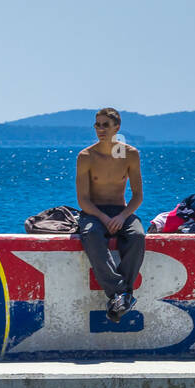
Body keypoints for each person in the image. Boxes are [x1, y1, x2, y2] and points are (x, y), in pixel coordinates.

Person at [75, 108, 146, 323]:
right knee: (91, 235)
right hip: (93, 212)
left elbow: (137, 196)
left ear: (117, 127)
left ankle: (121, 295)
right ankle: (120, 293)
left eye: (105, 125)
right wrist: (104, 218)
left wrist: (123, 216)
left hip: (121, 211)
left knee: (137, 236)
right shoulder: (86, 156)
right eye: (97, 125)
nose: (100, 129)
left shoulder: (130, 154)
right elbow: (83, 200)